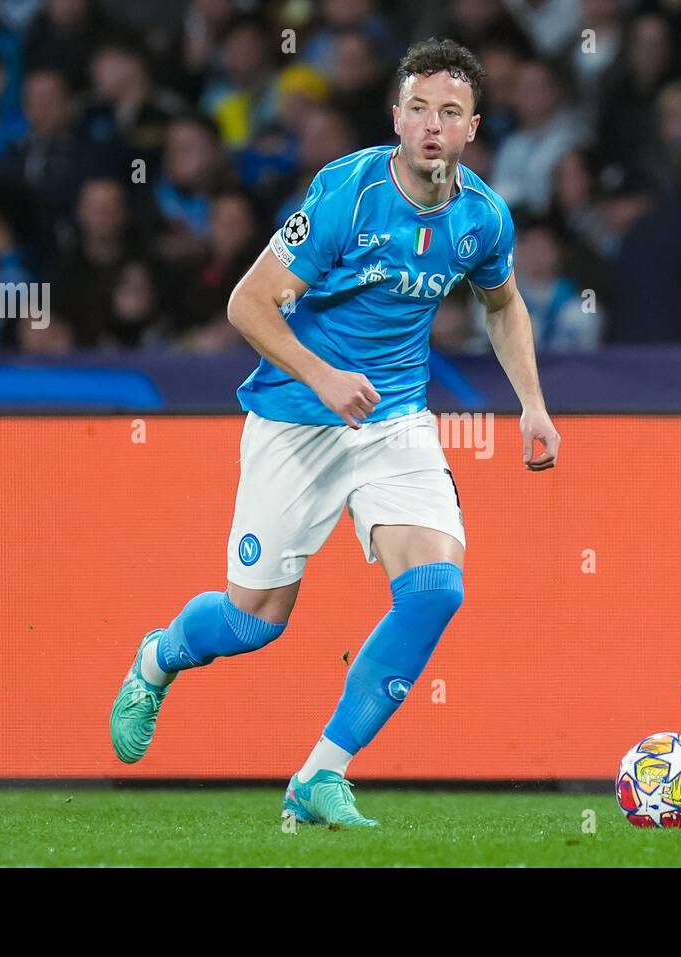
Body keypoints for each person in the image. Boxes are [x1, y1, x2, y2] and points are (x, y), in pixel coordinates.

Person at [109, 38, 561, 827]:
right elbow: (247, 304)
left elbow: (503, 303)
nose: (430, 125)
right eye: (417, 109)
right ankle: (156, 660)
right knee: (254, 622)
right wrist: (322, 375)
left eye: (448, 113)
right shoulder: (346, 193)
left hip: (394, 423)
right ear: (396, 116)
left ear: (472, 129)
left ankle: (321, 772)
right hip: (296, 418)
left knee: (437, 587)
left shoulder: (482, 216)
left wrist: (533, 404)